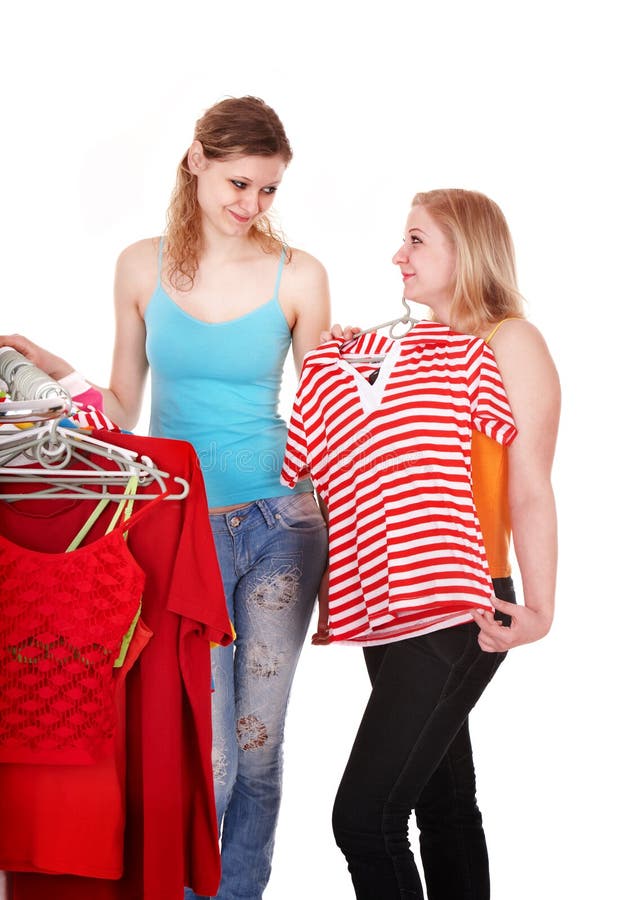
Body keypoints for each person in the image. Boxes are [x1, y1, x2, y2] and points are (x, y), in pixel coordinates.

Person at [0, 95, 330, 900]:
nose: (251, 205)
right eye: (239, 183)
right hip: (182, 527)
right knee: (204, 756)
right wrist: (54, 365)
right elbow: (121, 408)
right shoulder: (139, 266)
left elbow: (323, 422)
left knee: (258, 749)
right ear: (197, 161)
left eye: (268, 190)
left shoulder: (301, 275)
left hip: (282, 523)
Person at [315, 188, 560, 899]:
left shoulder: (511, 341)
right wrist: (360, 362)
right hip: (392, 599)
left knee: (363, 817)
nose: (398, 254)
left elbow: (530, 485)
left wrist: (539, 608)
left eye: (416, 240)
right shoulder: (414, 353)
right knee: (441, 804)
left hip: (465, 600)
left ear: (466, 249)